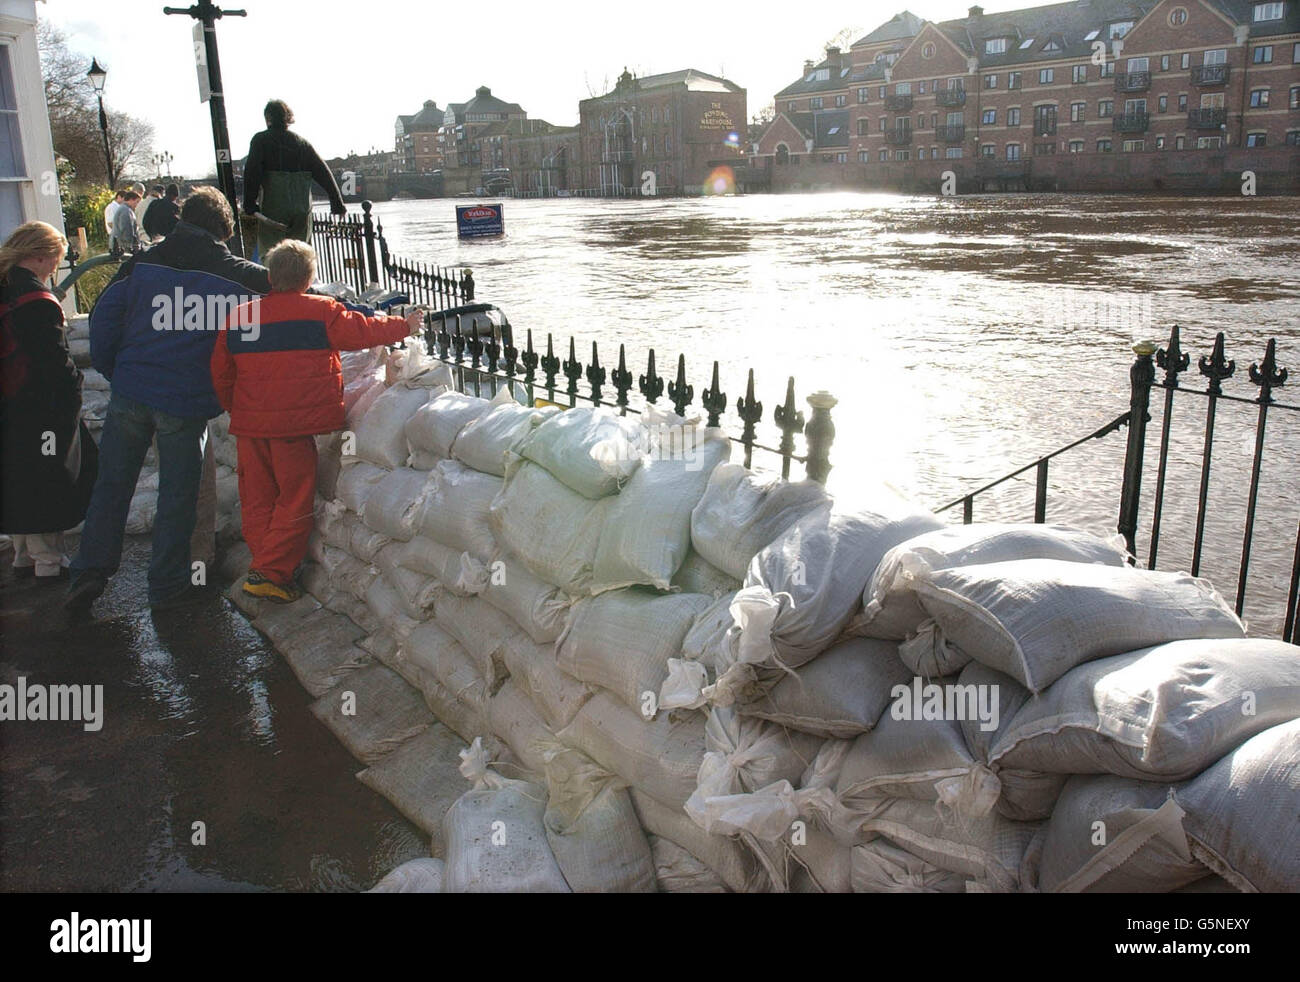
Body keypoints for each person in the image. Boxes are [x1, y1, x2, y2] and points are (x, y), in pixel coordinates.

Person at [66, 186, 272, 613]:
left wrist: (116, 371)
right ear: (223, 229)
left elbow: (104, 319)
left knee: (112, 485)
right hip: (184, 402)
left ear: (182, 219)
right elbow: (294, 298)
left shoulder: (141, 265)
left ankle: (89, 572)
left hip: (131, 392)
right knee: (177, 495)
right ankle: (167, 584)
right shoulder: (237, 274)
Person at [210, 240, 422, 603]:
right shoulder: (321, 312)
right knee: (294, 498)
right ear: (308, 278)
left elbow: (221, 372)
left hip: (250, 427)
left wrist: (238, 409)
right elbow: (363, 330)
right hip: (292, 428)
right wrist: (404, 326)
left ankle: (262, 564)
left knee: (258, 496)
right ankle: (272, 574)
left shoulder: (240, 316)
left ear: (271, 277)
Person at [0, 222, 98, 577]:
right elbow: (56, 364)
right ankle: (48, 562)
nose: (56, 266)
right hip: (40, 409)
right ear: (40, 256)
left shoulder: (4, 287)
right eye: (55, 258)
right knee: (48, 477)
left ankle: (22, 554)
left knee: (14, 477)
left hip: (8, 407)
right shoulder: (37, 300)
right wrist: (73, 397)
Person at [242, 99, 347, 259]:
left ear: (268, 118)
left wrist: (250, 202)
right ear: (287, 118)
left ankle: (277, 282)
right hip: (302, 208)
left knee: (273, 255)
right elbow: (323, 171)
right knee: (301, 254)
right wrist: (336, 201)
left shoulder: (261, 140)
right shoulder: (302, 144)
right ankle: (302, 281)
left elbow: (252, 172)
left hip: (274, 208)